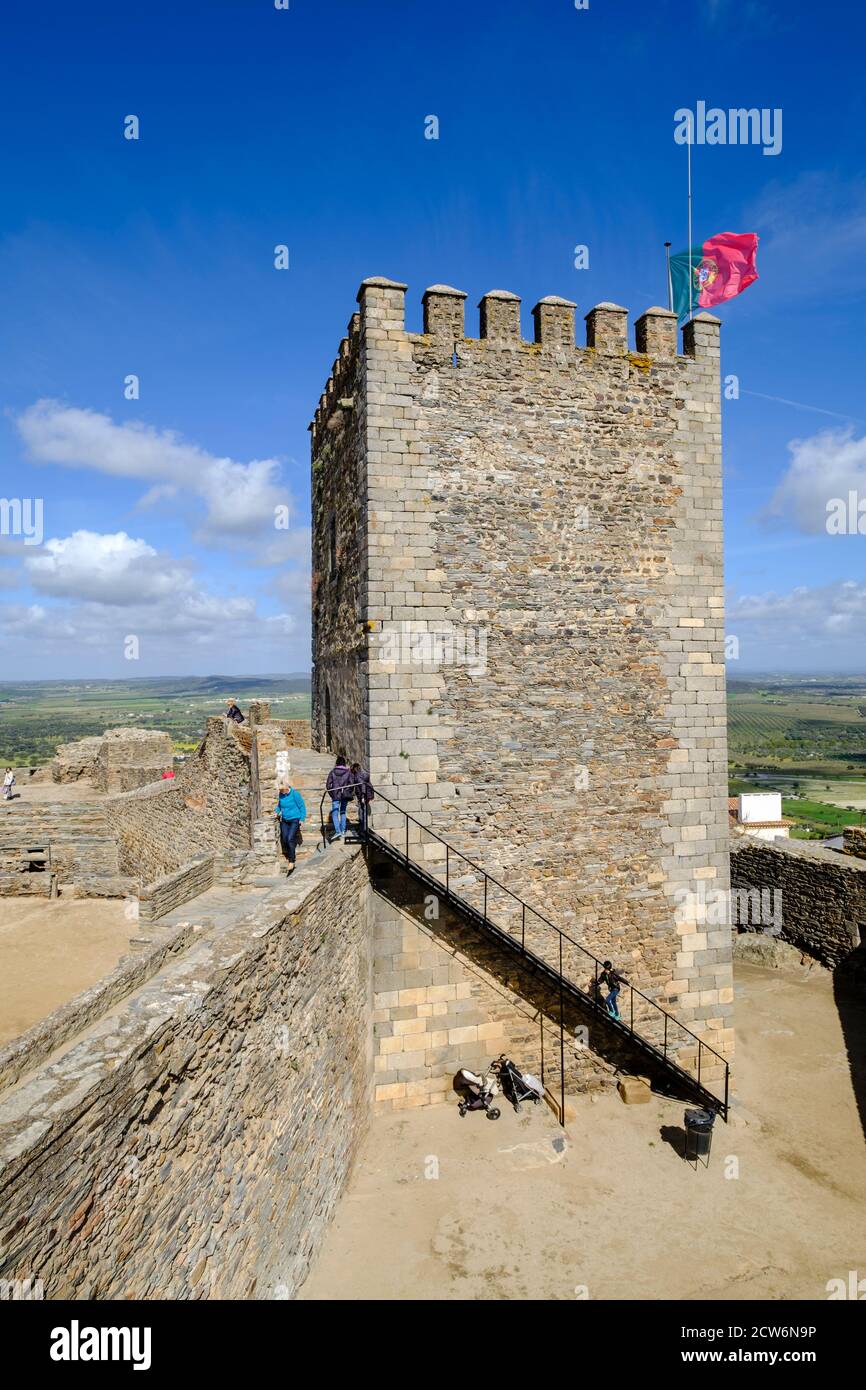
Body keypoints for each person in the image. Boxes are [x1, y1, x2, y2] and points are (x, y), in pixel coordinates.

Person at [274, 782, 306, 873]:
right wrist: (276, 811)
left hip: (294, 819)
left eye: (281, 790)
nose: (280, 792)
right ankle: (289, 854)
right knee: (284, 839)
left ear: (287, 788)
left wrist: (302, 819)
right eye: (280, 790)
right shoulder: (281, 794)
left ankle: (292, 861)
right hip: (284, 820)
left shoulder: (295, 794)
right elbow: (279, 806)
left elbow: (302, 806)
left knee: (290, 838)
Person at [326, 754, 353, 839]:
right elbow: (351, 784)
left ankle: (338, 831)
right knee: (343, 812)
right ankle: (343, 831)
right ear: (344, 763)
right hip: (344, 795)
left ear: (337, 763)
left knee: (334, 813)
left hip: (335, 796)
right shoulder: (348, 772)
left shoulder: (333, 772)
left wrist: (332, 793)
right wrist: (347, 792)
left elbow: (328, 785)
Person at [350, 761, 375, 836]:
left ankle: (363, 830)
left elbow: (362, 786)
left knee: (362, 812)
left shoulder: (358, 775)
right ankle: (363, 828)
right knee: (363, 811)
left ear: (355, 769)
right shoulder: (363, 773)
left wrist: (362, 797)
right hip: (367, 794)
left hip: (363, 796)